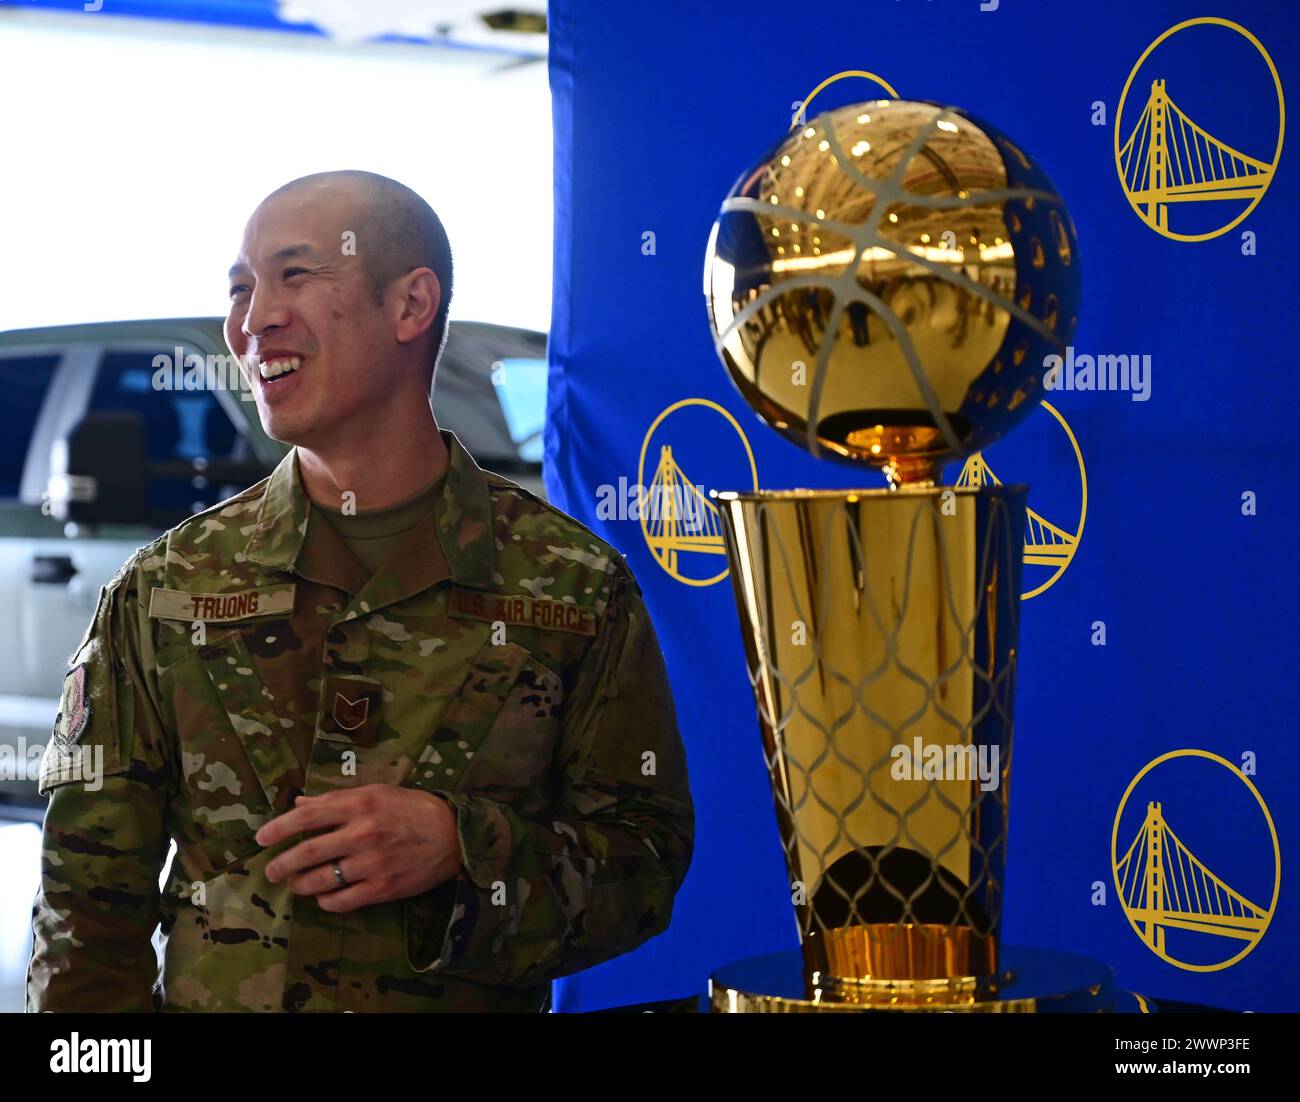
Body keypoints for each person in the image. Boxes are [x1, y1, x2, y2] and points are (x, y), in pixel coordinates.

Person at [27, 170, 694, 1012]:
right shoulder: (168, 588)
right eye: (241, 288)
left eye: (295, 275)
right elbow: (86, 912)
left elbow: (644, 863)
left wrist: (463, 846)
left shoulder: (568, 586)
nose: (253, 318)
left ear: (411, 305)